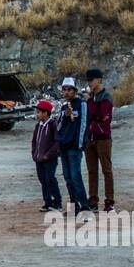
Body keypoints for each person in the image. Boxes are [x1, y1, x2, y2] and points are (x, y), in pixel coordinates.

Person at [56, 77, 92, 214]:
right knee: (68, 178)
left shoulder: (81, 104)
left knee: (76, 176)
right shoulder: (63, 107)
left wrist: (80, 144)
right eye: (64, 90)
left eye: (69, 90)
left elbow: (83, 124)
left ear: (74, 91)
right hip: (64, 146)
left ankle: (84, 206)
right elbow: (58, 126)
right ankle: (74, 207)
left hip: (74, 147)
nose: (66, 92)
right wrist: (64, 116)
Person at [83, 68, 115, 213]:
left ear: (99, 80)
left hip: (103, 138)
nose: (89, 83)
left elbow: (101, 114)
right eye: (88, 80)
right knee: (92, 171)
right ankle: (93, 201)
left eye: (92, 80)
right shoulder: (92, 97)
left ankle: (109, 201)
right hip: (90, 137)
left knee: (106, 170)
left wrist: (90, 102)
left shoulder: (106, 96)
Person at [31, 99, 62, 212]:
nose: (37, 114)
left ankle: (57, 201)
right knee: (43, 179)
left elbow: (57, 142)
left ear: (45, 112)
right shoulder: (38, 126)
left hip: (49, 159)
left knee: (50, 178)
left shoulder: (53, 124)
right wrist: (34, 153)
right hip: (39, 158)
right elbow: (34, 141)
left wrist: (48, 155)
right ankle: (47, 201)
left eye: (39, 112)